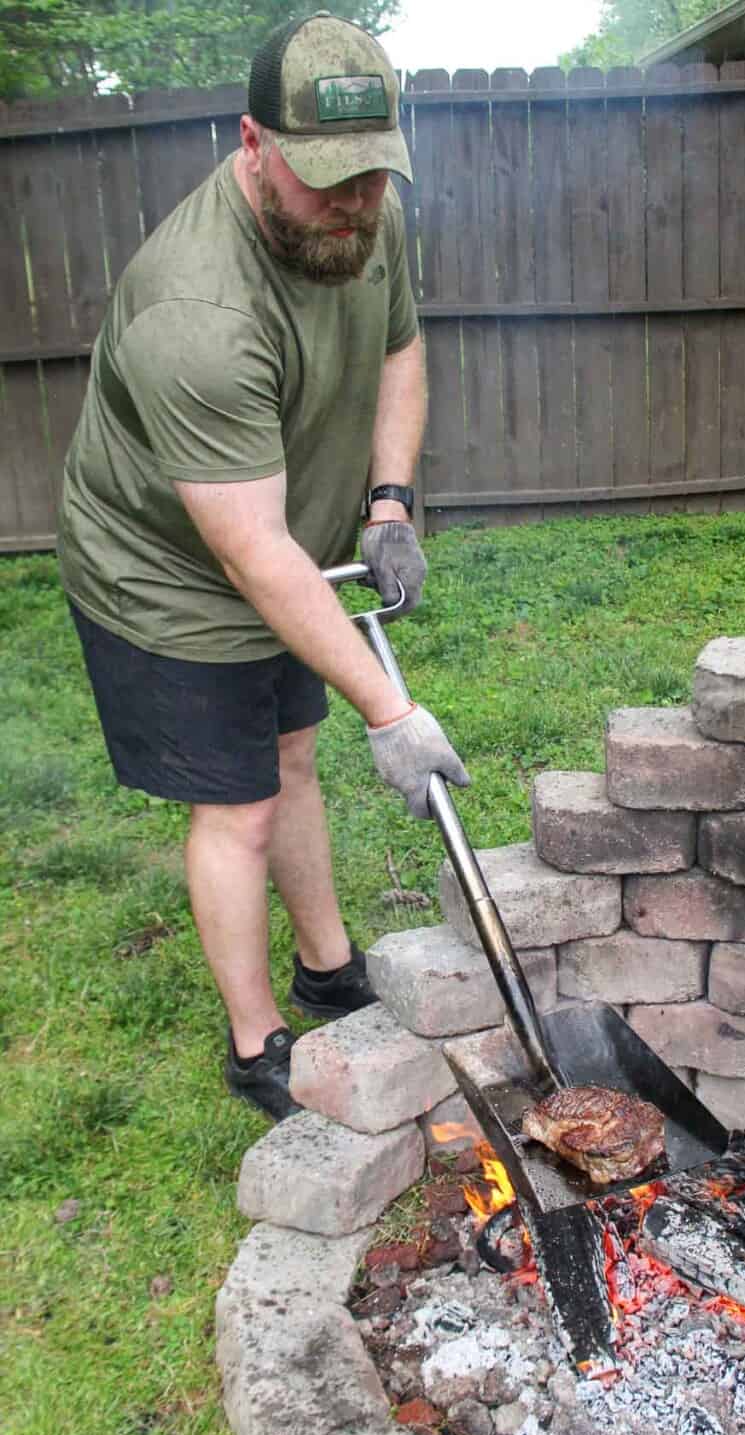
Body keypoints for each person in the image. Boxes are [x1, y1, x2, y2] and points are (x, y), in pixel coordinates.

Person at [56, 11, 469, 1123]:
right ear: (252, 143)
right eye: (328, 181)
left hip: (291, 548)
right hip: (167, 575)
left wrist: (388, 503)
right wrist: (392, 710)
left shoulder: (357, 216)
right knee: (235, 801)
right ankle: (258, 1045)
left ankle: (329, 970)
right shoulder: (196, 308)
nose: (355, 206)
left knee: (291, 752)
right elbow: (246, 553)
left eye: (372, 179)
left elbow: (399, 349)